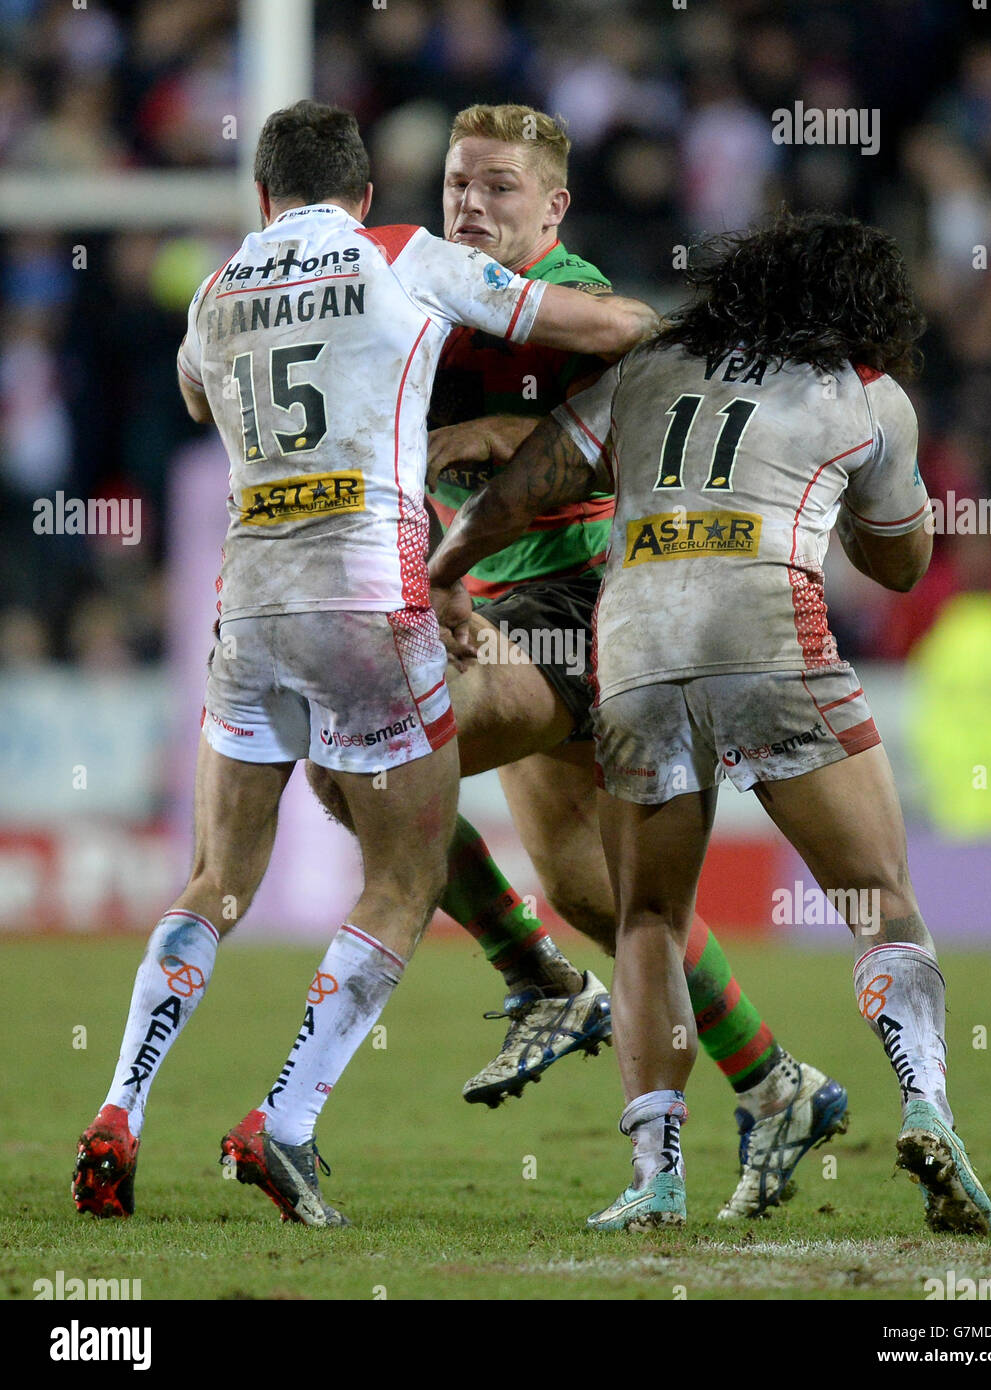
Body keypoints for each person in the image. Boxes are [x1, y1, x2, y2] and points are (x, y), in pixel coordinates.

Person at [71, 99, 658, 1226]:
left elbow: (199, 393)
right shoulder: (408, 259)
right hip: (374, 601)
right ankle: (283, 1122)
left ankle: (121, 1108)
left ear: (260, 198)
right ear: (368, 196)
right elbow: (599, 328)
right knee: (404, 874)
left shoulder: (217, 284)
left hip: (246, 606)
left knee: (216, 878)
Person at [307, 105, 848, 1221]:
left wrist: (479, 442)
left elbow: (613, 407)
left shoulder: (572, 299)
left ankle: (538, 980)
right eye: (460, 183)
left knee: (363, 752)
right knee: (600, 896)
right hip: (498, 606)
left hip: (588, 599)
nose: (471, 205)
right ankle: (778, 1083)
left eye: (501, 187)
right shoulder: (431, 290)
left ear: (551, 208)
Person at [427, 209, 991, 1236]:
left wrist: (438, 576)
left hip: (637, 647)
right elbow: (902, 565)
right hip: (771, 638)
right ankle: (927, 1107)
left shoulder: (647, 370)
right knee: (880, 902)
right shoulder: (867, 393)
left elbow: (517, 494)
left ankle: (656, 1175)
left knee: (645, 920)